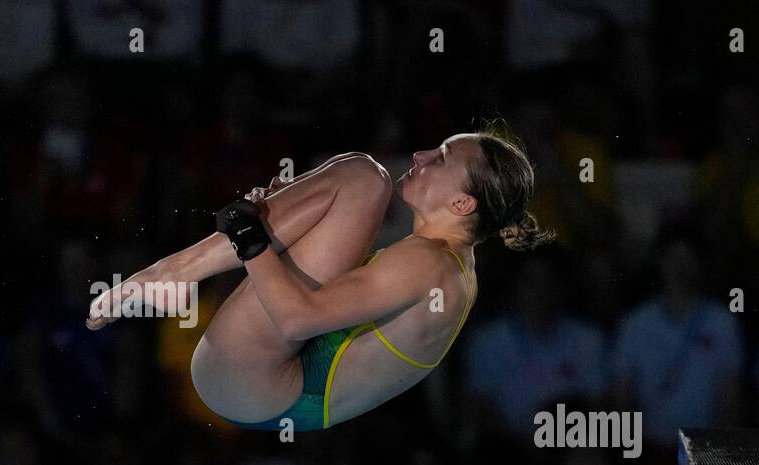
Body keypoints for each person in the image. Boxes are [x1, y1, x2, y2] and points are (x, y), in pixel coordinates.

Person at [87, 133, 552, 430]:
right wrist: (274, 224)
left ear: (463, 204)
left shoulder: (430, 266)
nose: (421, 155)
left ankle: (172, 273)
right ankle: (176, 272)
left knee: (365, 178)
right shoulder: (451, 267)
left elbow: (295, 319)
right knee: (361, 180)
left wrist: (250, 237)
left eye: (441, 158)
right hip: (275, 394)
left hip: (260, 383)